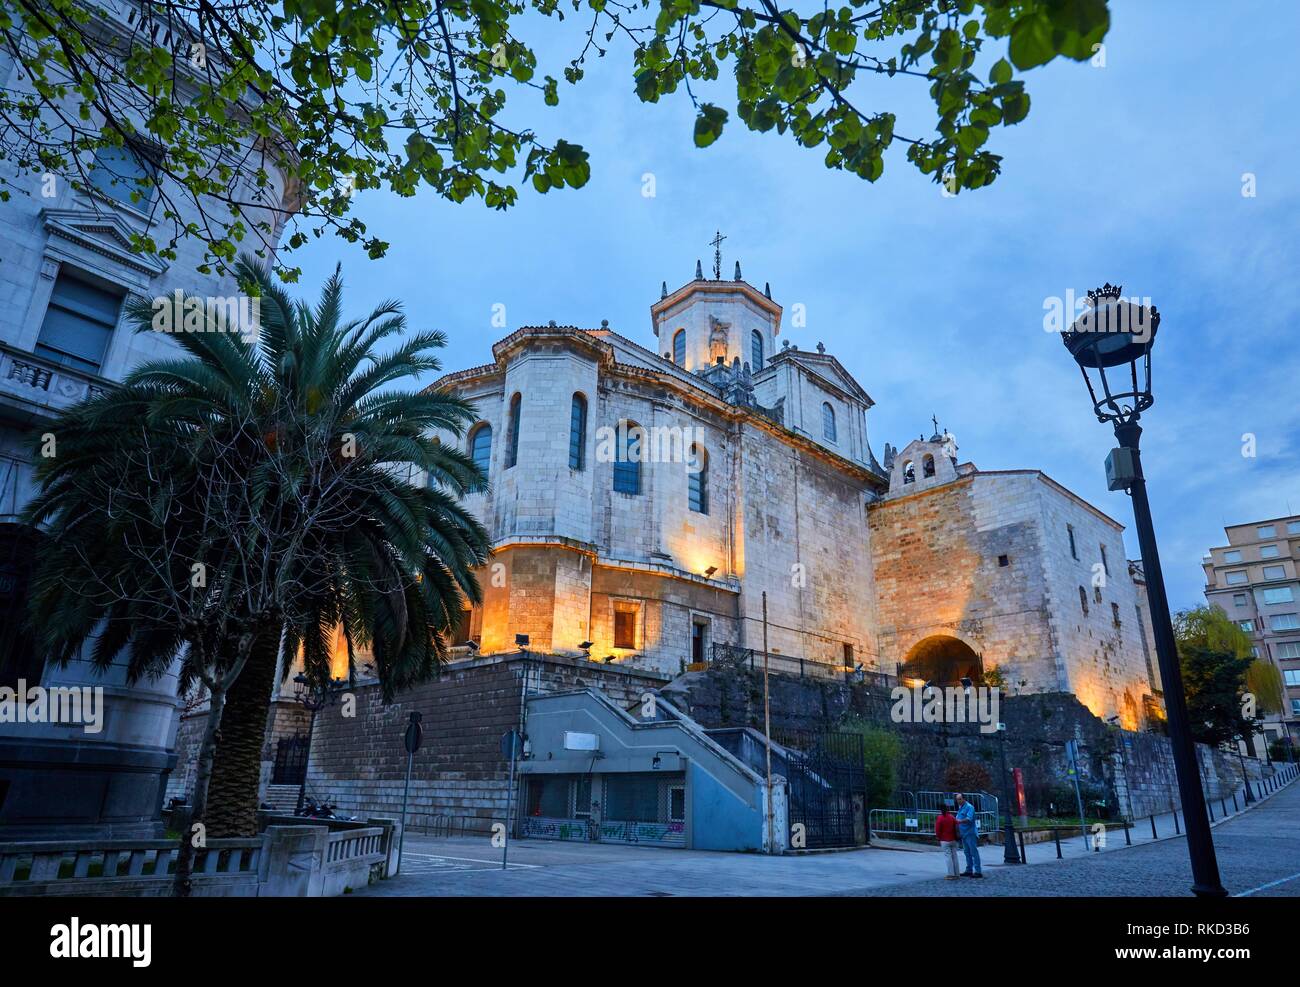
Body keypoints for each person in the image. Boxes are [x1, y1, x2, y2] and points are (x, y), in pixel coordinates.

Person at [954, 792, 983, 878]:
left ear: (964, 799)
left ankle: (978, 871)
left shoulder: (970, 807)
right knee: (967, 852)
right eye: (957, 799)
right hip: (963, 833)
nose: (958, 801)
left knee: (973, 852)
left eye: (959, 799)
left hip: (970, 833)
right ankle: (969, 870)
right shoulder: (960, 808)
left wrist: (959, 821)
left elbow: (969, 819)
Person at [934, 804, 960, 880]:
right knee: (954, 856)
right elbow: (957, 825)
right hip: (953, 840)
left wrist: (938, 837)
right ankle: (957, 873)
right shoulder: (952, 817)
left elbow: (937, 829)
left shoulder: (940, 818)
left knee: (948, 857)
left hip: (944, 840)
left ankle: (951, 874)